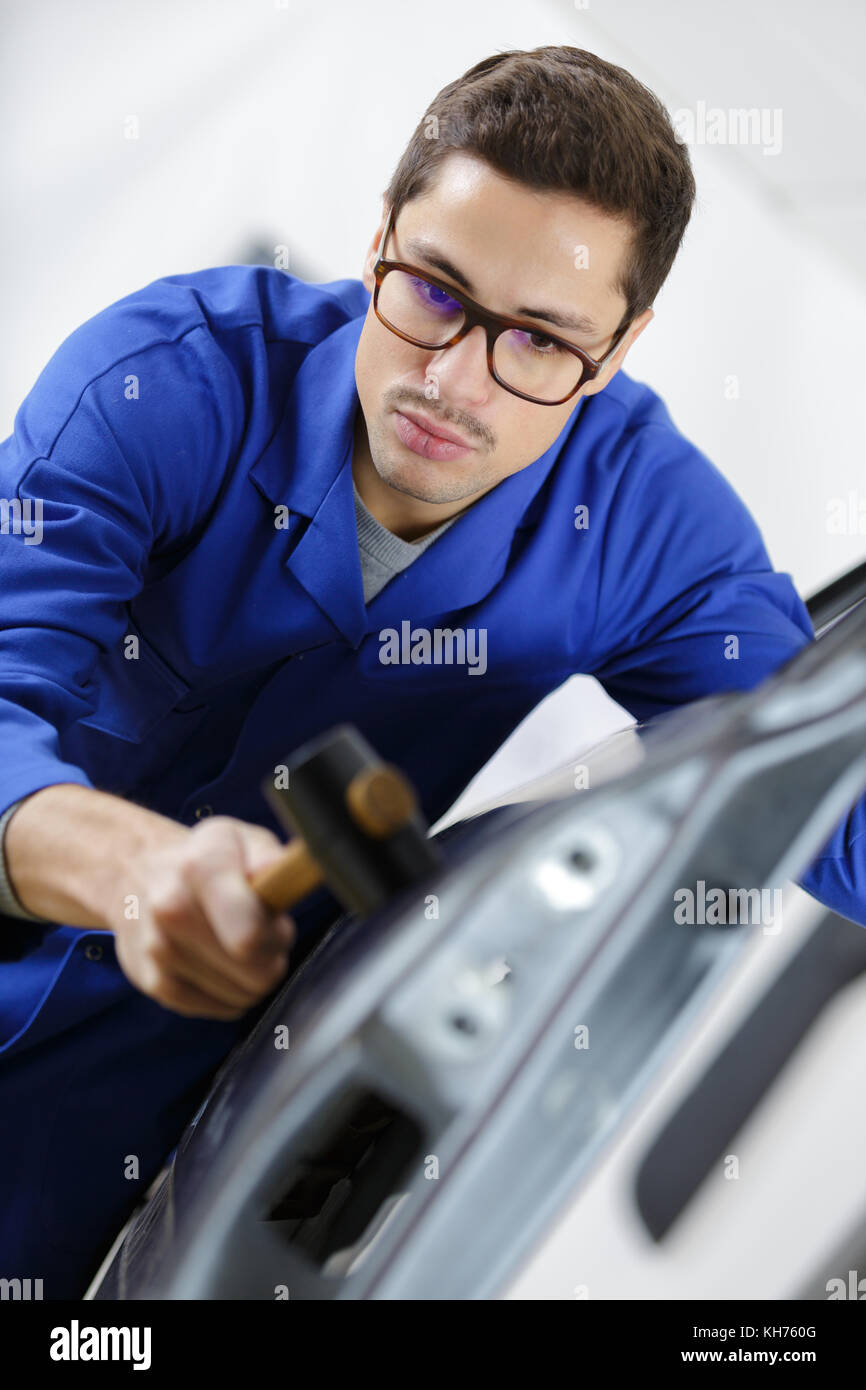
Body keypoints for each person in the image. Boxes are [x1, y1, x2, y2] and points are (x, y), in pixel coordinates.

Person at [0, 45, 861, 1299]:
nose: (450, 382)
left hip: (112, 1137)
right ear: (378, 241)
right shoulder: (169, 376)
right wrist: (133, 871)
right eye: (435, 294)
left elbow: (817, 804)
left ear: (620, 347)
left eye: (540, 342)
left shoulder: (642, 526)